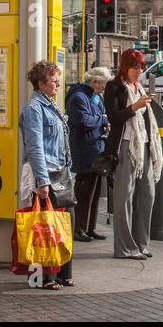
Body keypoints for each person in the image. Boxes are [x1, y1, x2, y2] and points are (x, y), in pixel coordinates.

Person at [20, 59, 76, 289]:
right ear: (41, 83)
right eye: (54, 81)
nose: (58, 85)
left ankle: (63, 271)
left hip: (59, 171)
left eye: (58, 80)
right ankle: (45, 277)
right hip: (44, 172)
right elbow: (35, 147)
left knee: (63, 222)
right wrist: (42, 182)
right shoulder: (34, 108)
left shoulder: (52, 105)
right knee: (43, 225)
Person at [104, 48, 163, 260]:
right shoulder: (115, 87)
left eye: (141, 68)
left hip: (143, 146)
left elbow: (146, 120)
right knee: (124, 198)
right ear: (125, 67)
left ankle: (140, 243)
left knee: (147, 194)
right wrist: (135, 107)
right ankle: (124, 248)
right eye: (135, 67)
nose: (139, 72)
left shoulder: (139, 87)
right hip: (124, 145)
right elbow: (114, 117)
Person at [65, 66, 111, 242]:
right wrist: (104, 119)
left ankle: (90, 227)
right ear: (94, 82)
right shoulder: (78, 97)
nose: (103, 89)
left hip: (96, 147)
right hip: (84, 148)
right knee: (84, 192)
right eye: (103, 85)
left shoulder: (95, 96)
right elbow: (83, 121)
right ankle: (78, 228)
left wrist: (102, 119)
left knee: (95, 190)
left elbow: (98, 116)